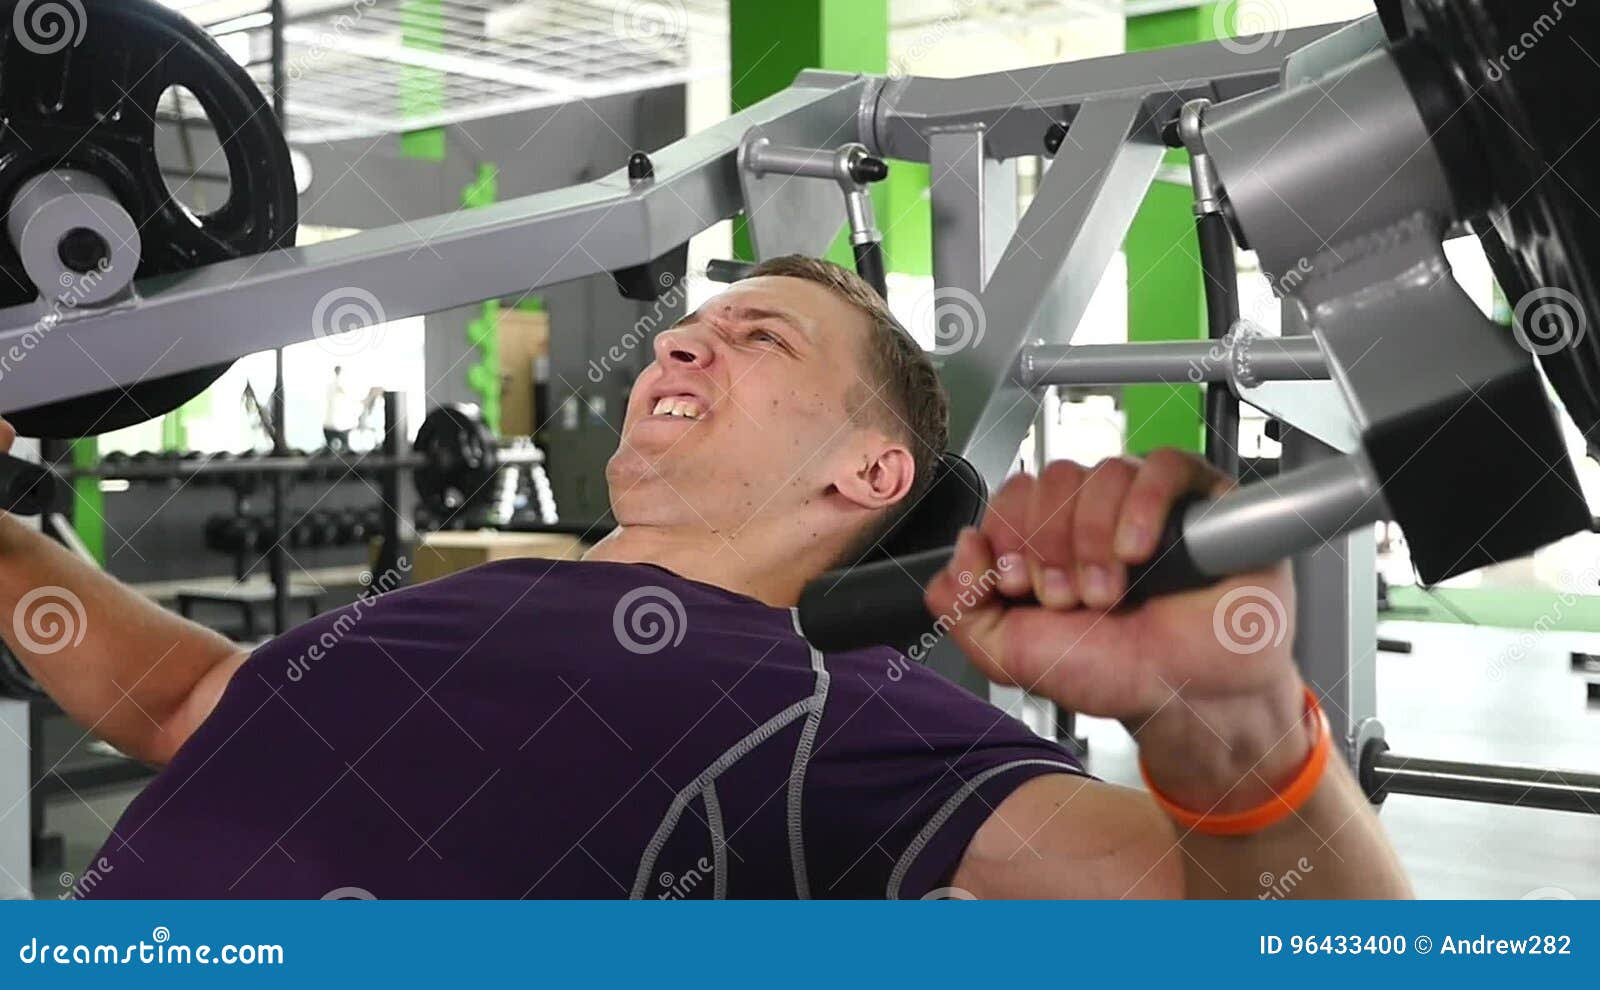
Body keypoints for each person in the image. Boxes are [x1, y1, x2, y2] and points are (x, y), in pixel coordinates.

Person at [0, 256, 1409, 899]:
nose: (679, 347)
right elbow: (186, 699)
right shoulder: (439, 606)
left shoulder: (838, 714)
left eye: (761, 340)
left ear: (870, 475)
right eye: (687, 332)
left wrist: (1223, 722)